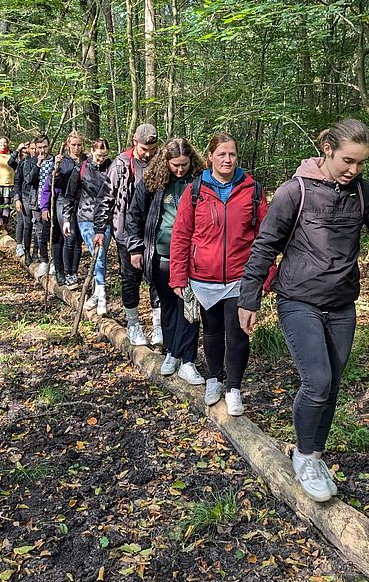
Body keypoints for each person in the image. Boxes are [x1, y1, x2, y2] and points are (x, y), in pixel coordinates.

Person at [238, 118, 369, 502]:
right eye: (348, 160)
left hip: (341, 304)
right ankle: (302, 456)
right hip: (298, 299)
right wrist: (248, 298)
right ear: (328, 150)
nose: (354, 170)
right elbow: (265, 245)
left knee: (332, 383)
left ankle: (314, 457)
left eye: (361, 163)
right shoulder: (295, 191)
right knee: (316, 381)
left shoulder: (363, 194)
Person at [169, 132, 272, 415]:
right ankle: (214, 378)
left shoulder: (252, 189)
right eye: (222, 154)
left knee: (238, 333)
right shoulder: (196, 190)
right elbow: (181, 234)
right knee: (212, 331)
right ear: (211, 156)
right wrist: (178, 275)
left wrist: (267, 273)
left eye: (232, 154)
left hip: (242, 276)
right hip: (204, 277)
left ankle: (234, 388)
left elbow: (266, 236)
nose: (228, 159)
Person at [126, 138, 205, 383]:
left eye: (183, 164)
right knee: (168, 306)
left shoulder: (201, 182)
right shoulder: (153, 182)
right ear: (165, 161)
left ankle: (189, 361)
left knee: (189, 309)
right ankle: (171, 353)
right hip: (161, 255)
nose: (179, 169)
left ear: (191, 161)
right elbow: (135, 215)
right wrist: (135, 248)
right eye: (175, 165)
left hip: (192, 258)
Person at [93, 123, 162, 346]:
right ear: (135, 142)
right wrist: (99, 229)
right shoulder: (121, 164)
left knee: (157, 279)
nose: (148, 153)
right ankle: (133, 325)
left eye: (152, 148)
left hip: (154, 232)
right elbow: (105, 197)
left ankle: (158, 326)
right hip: (125, 232)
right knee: (130, 279)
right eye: (144, 149)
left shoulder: (160, 162)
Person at [63, 138, 112, 315]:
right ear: (92, 152)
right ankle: (102, 294)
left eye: (105, 155)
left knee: (101, 256)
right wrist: (67, 218)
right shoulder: (81, 168)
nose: (101, 159)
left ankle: (96, 294)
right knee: (97, 254)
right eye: (99, 155)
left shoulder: (112, 167)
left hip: (106, 219)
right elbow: (69, 195)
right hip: (85, 217)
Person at [41, 131, 85, 287]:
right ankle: (62, 272)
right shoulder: (62, 161)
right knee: (67, 237)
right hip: (63, 201)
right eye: (73, 145)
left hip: (81, 203)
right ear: (68, 145)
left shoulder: (86, 161)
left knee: (78, 240)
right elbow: (52, 183)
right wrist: (57, 170)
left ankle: (73, 272)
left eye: (79, 145)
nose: (76, 148)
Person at [22, 134, 54, 278]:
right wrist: (38, 164)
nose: (43, 150)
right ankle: (44, 261)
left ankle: (54, 261)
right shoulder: (31, 162)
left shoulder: (55, 161)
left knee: (53, 233)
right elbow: (28, 180)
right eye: (40, 147)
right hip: (36, 203)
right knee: (39, 233)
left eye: (45, 147)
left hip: (53, 203)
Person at [11, 141, 32, 257]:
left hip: (31, 197)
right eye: (23, 150)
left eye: (27, 149)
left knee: (29, 224)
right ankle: (19, 245)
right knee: (21, 221)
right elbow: (10, 162)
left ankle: (29, 249)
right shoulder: (19, 163)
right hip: (20, 194)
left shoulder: (34, 162)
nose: (26, 151)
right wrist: (17, 149)